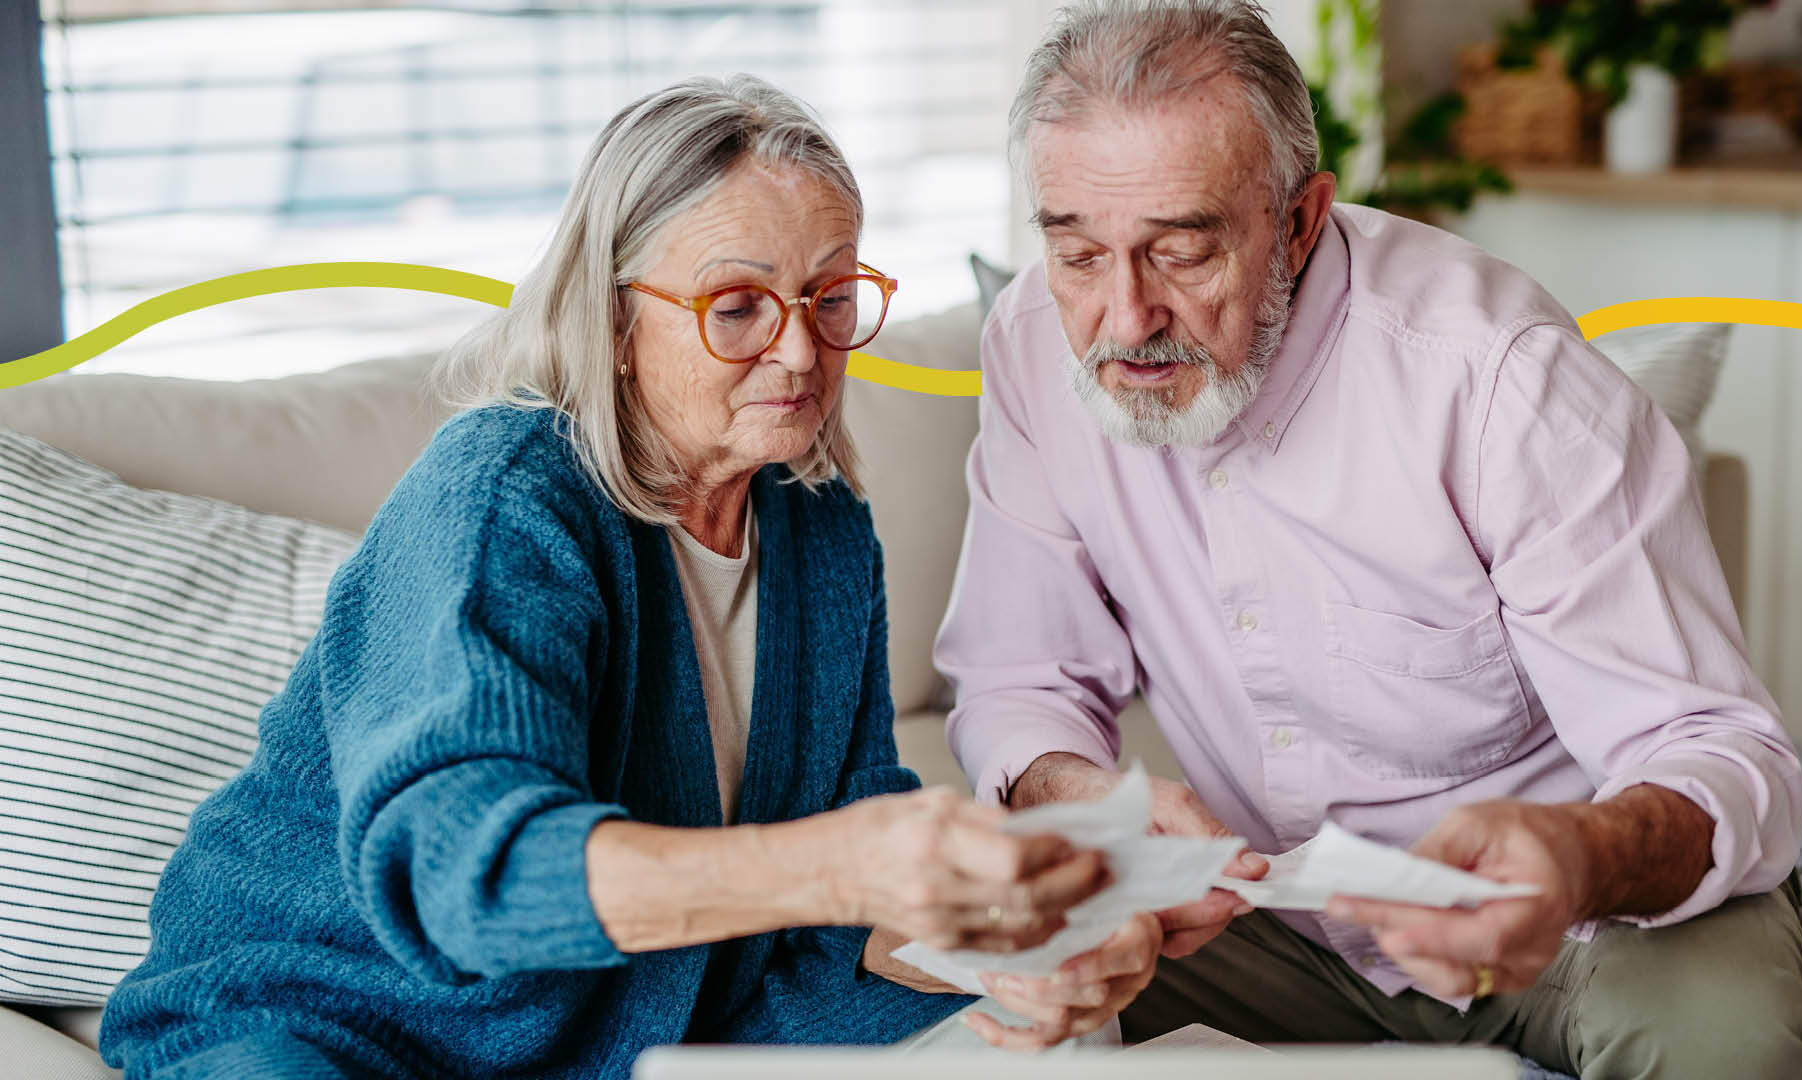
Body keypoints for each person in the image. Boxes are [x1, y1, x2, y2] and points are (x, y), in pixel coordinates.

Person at [98, 75, 1158, 1080]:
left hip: (652, 1021)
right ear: (611, 324)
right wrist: (839, 862)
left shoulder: (821, 526)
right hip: (350, 1031)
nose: (799, 354)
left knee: (1055, 1028)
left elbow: (843, 911)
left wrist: (1014, 946)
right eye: (736, 305)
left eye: (831, 296)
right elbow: (473, 879)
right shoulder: (503, 494)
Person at [935, 2, 1802, 1076]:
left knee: (1732, 1052)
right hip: (1263, 920)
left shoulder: (1498, 379)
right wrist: (1092, 807)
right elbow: (1017, 678)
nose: (1125, 319)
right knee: (948, 1001)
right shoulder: (1035, 349)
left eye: (1181, 252)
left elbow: (1720, 752)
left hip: (1574, 916)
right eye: (1078, 253)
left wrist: (1580, 858)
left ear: (1302, 221)